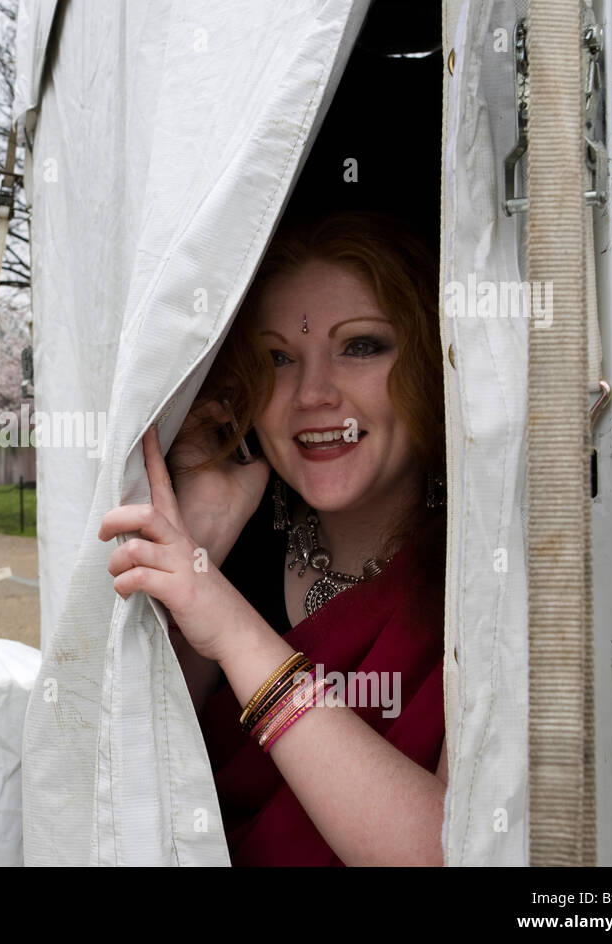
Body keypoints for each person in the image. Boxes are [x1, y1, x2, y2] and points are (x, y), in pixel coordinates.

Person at [99, 211, 447, 866]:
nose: (313, 393)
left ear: (434, 364)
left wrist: (231, 629)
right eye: (278, 358)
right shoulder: (229, 562)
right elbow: (122, 774)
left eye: (361, 346)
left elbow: (441, 852)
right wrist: (206, 534)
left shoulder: (484, 578)